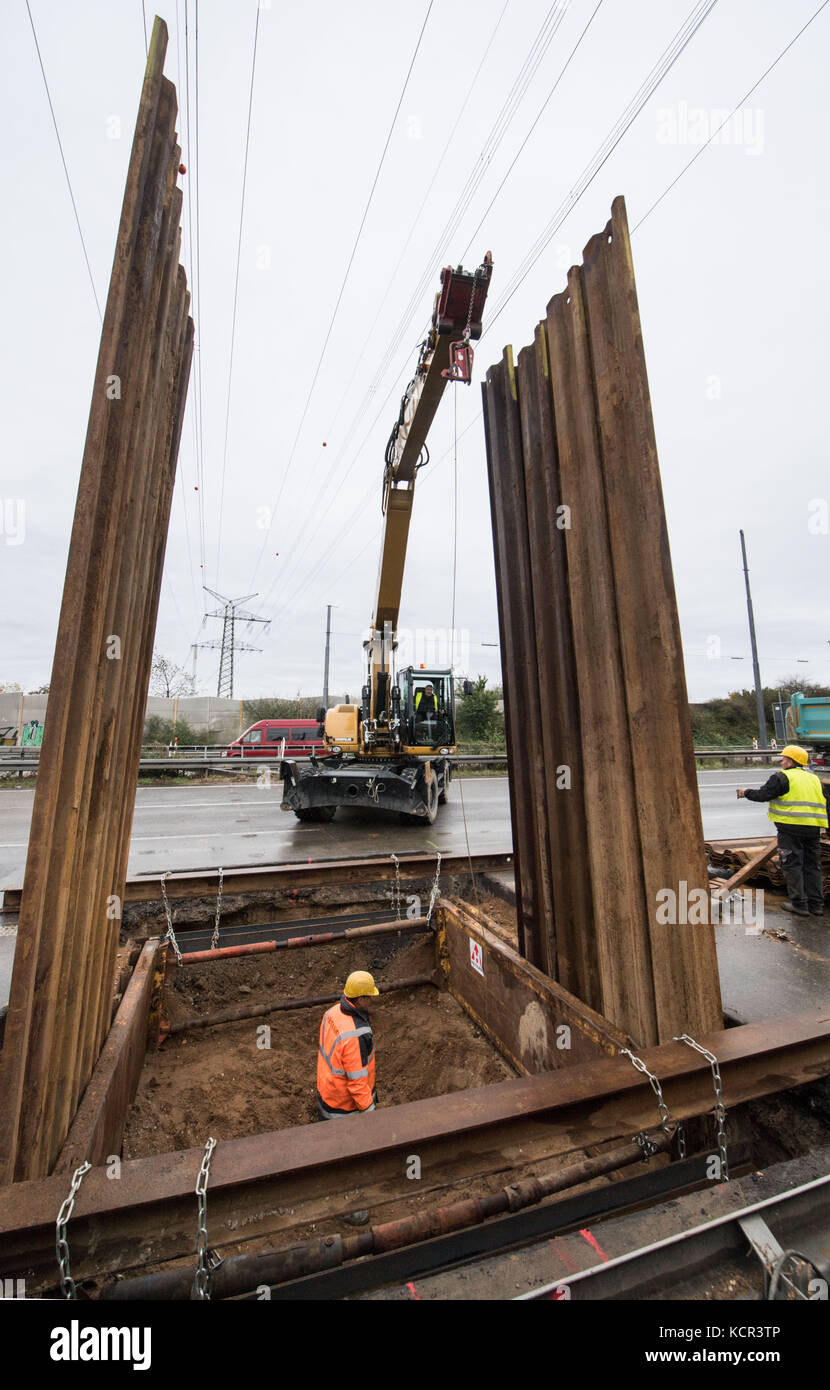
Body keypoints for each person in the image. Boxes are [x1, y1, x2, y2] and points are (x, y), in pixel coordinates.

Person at [737, 744, 828, 917]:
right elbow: (827, 802)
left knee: (792, 864)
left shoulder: (782, 777)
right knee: (812, 866)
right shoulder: (814, 778)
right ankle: (816, 905)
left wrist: (746, 792)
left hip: (790, 829)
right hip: (813, 829)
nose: (782, 761)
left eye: (785, 758)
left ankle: (800, 905)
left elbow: (763, 795)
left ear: (792, 761)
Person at [316, 970, 379, 1119]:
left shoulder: (331, 1013)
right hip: (344, 1107)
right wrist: (371, 1113)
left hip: (326, 1090)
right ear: (361, 998)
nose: (371, 1000)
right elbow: (357, 1083)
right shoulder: (356, 1036)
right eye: (369, 997)